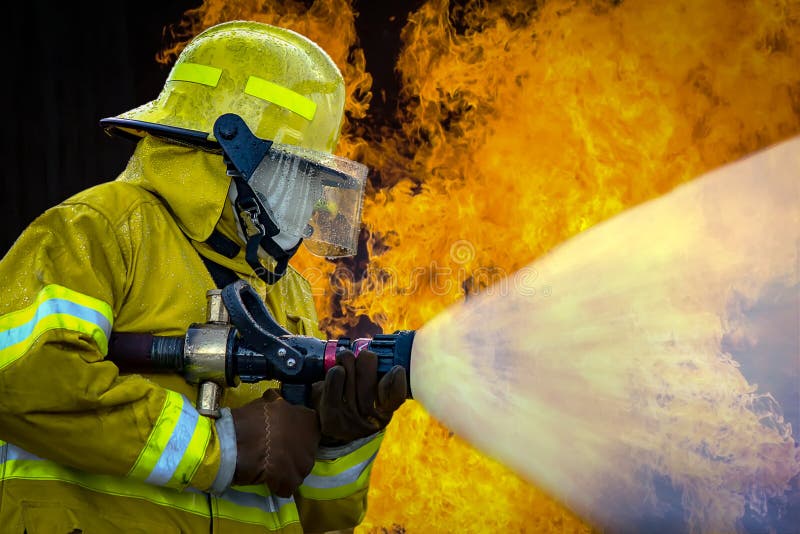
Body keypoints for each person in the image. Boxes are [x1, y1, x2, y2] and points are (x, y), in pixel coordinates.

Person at [0, 21, 406, 533]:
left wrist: (341, 439)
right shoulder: (102, 228)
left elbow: (323, 520)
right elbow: (21, 379)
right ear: (228, 150)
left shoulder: (289, 294)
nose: (310, 207)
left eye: (316, 182)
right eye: (295, 175)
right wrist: (225, 447)